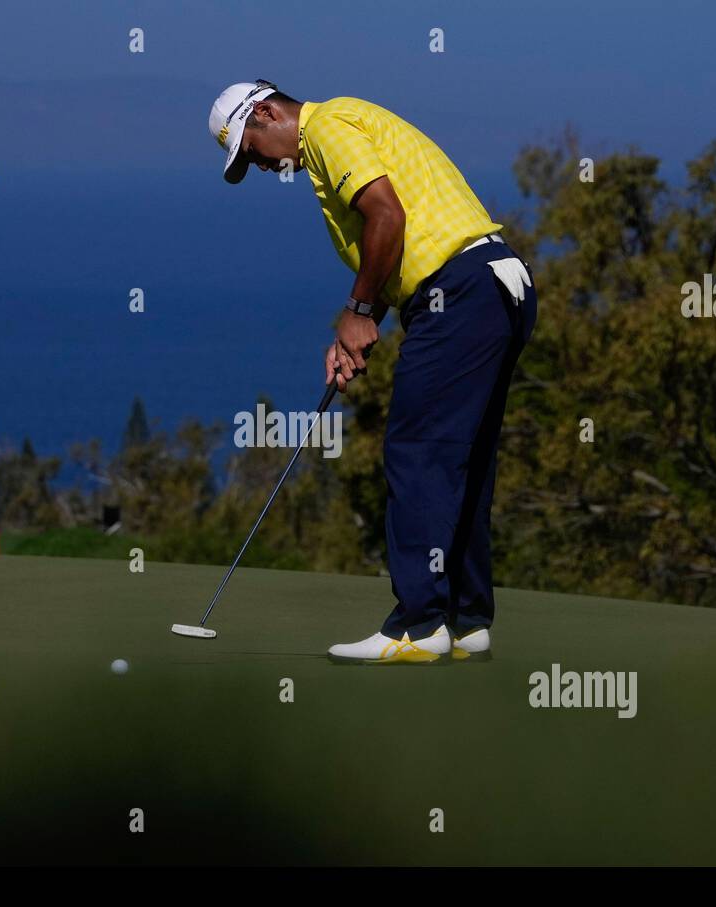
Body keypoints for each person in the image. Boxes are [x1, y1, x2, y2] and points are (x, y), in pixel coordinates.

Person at [209, 80, 538, 664]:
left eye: (251, 149)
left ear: (265, 112)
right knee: (461, 456)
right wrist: (362, 329)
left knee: (417, 453)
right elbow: (394, 242)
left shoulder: (328, 127)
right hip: (496, 284)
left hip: (460, 292)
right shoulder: (341, 130)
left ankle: (417, 625)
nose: (256, 165)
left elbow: (387, 216)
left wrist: (357, 313)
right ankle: (465, 621)